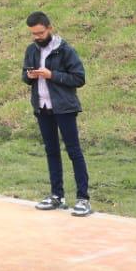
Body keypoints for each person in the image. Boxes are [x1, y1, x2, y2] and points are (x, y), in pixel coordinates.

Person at [23, 11, 91, 217]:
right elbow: (24, 77)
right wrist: (30, 75)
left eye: (40, 33)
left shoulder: (66, 50)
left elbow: (79, 78)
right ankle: (57, 196)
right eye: (33, 34)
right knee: (51, 151)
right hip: (42, 107)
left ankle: (83, 199)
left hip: (64, 108)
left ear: (50, 28)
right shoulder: (31, 50)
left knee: (73, 151)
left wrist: (52, 75)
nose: (37, 37)